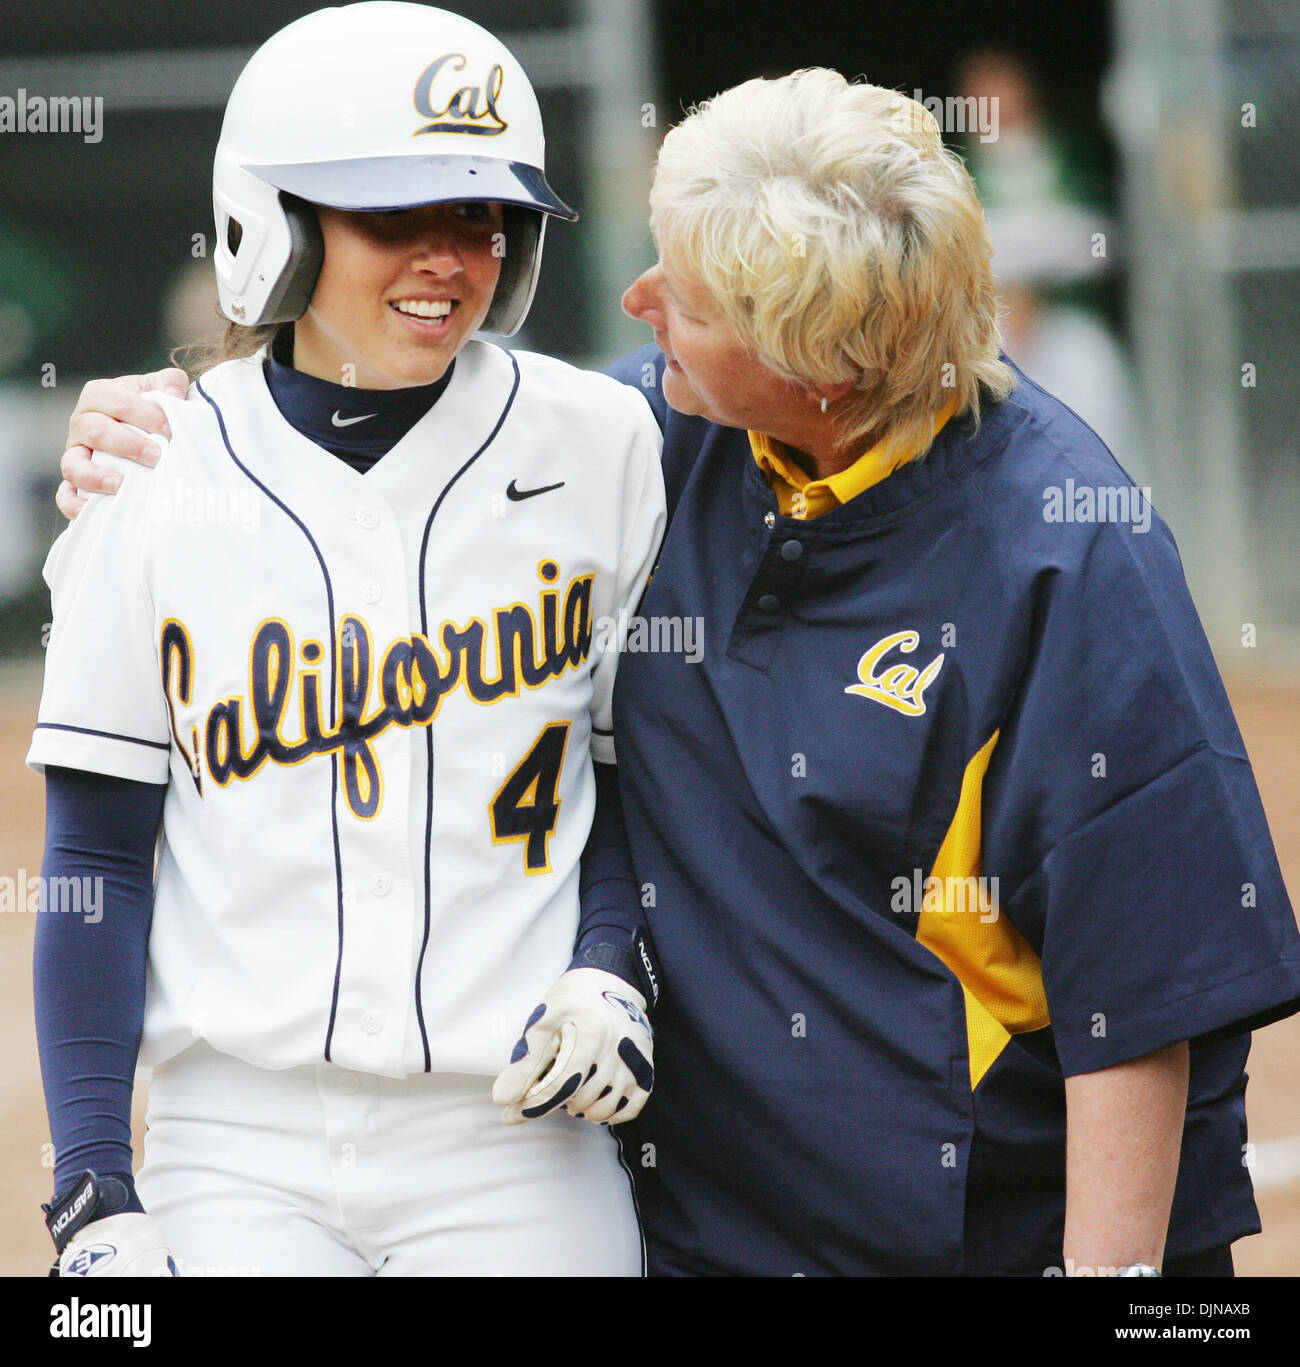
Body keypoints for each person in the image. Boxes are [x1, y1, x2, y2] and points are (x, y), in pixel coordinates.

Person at [56, 70, 1300, 1277]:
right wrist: (151, 427)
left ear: (822, 366)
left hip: (988, 1219)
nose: (640, 304)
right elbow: (379, 429)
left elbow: (1146, 988)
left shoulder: (1065, 554)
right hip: (730, 1216)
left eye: (690, 304)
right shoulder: (660, 431)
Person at [31, 2, 662, 1278]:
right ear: (276, 223)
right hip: (234, 1135)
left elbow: (630, 779)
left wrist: (612, 968)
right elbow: (96, 851)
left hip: (516, 1130)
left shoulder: (602, 444)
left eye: (480, 216)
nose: (448, 259)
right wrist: (94, 1181)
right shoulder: (152, 471)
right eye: (395, 217)